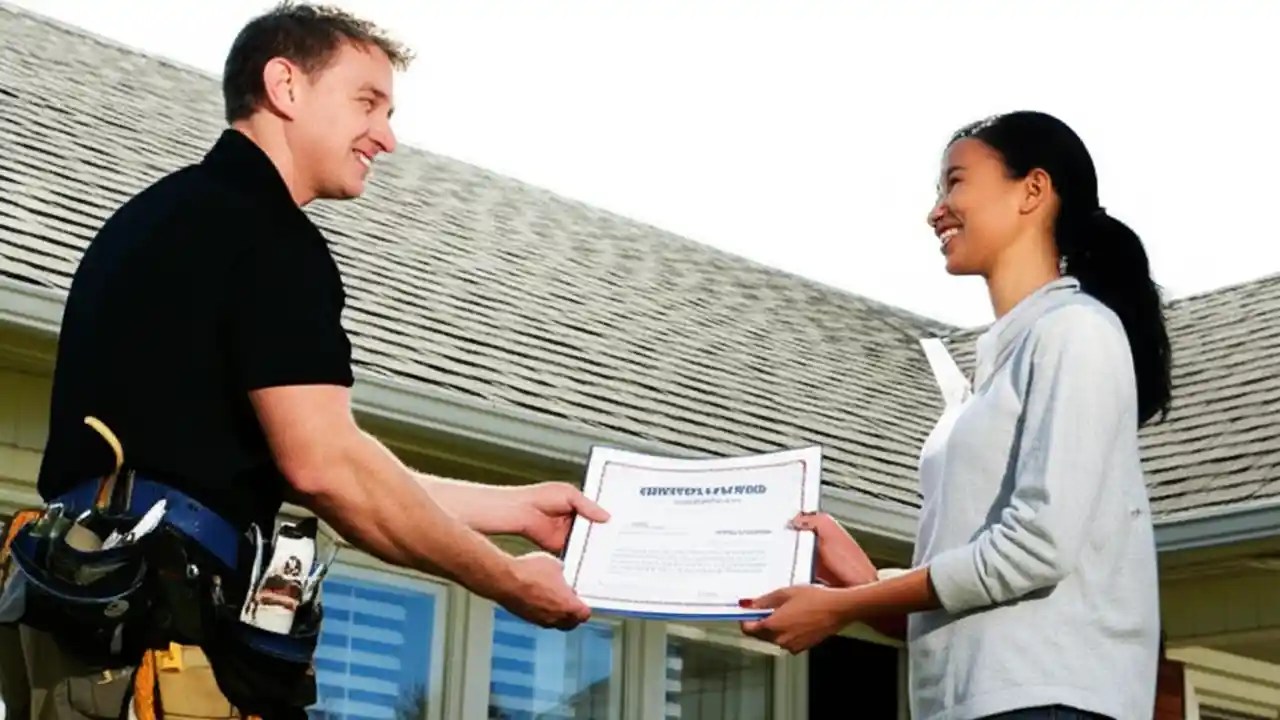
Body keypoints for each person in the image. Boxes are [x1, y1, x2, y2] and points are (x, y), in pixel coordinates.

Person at [0, 3, 608, 719]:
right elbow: (326, 469)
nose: (386, 137)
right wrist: (507, 580)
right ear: (285, 86)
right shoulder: (271, 239)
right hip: (160, 642)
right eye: (367, 102)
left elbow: (299, 458)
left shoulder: (149, 221)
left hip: (75, 624)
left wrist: (512, 509)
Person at [738, 110, 1173, 720]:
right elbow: (968, 585)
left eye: (955, 182)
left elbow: (1035, 548)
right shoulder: (997, 367)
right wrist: (861, 586)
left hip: (1047, 703)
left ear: (1033, 190)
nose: (936, 210)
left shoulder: (1076, 332)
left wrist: (850, 603)